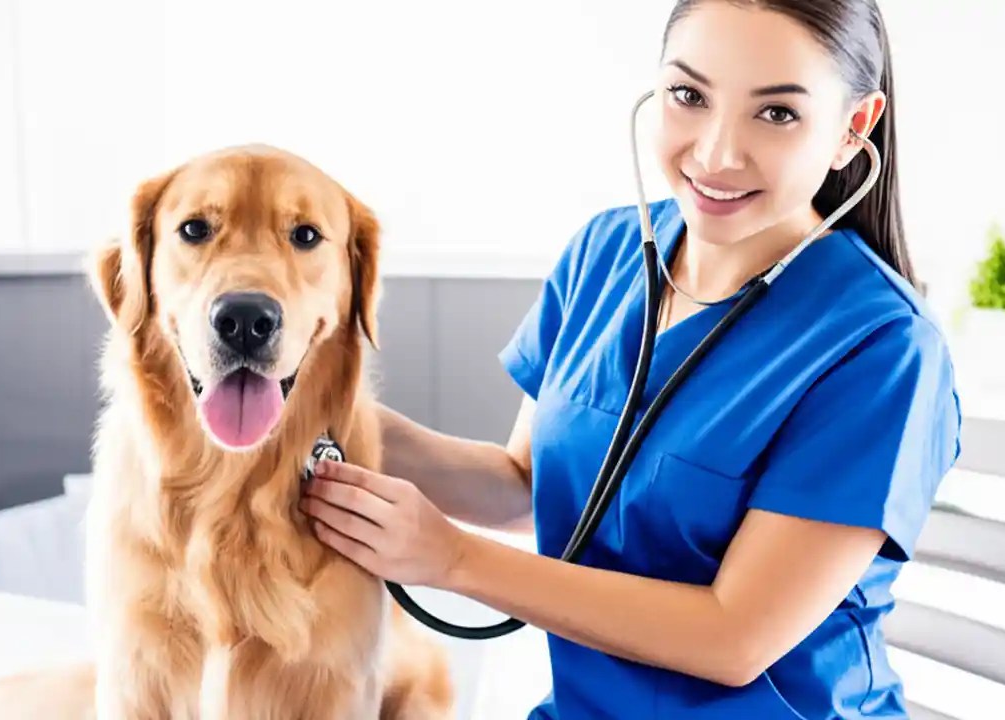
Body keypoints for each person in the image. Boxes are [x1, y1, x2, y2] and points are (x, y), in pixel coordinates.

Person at [299, 0, 963, 717]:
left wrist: (452, 559)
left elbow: (734, 636)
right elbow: (523, 484)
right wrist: (330, 420)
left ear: (851, 130)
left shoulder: (881, 348)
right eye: (689, 95)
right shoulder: (606, 253)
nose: (715, 153)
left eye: (775, 115)